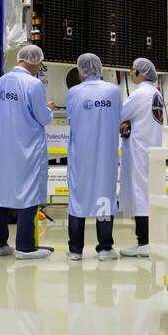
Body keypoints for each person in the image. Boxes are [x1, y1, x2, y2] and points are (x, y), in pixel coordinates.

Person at [0, 45, 55, 260]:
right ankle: (25, 247)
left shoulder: (2, 82)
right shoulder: (33, 84)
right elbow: (43, 118)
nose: (40, 68)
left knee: (2, 193)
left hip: (6, 147)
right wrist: (49, 109)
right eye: (40, 64)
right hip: (27, 148)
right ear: (33, 61)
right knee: (29, 192)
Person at [65, 53, 123, 261]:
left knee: (78, 198)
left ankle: (75, 249)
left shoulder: (74, 92)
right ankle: (105, 248)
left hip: (81, 154)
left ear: (81, 71)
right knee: (104, 197)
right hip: (105, 153)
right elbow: (119, 116)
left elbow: (71, 118)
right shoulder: (113, 91)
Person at [118, 57, 164, 257]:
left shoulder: (139, 94)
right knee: (146, 194)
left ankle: (143, 242)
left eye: (133, 69)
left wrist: (124, 123)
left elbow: (119, 115)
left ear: (141, 73)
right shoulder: (156, 93)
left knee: (140, 195)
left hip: (139, 151)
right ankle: (148, 241)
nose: (131, 73)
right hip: (151, 149)